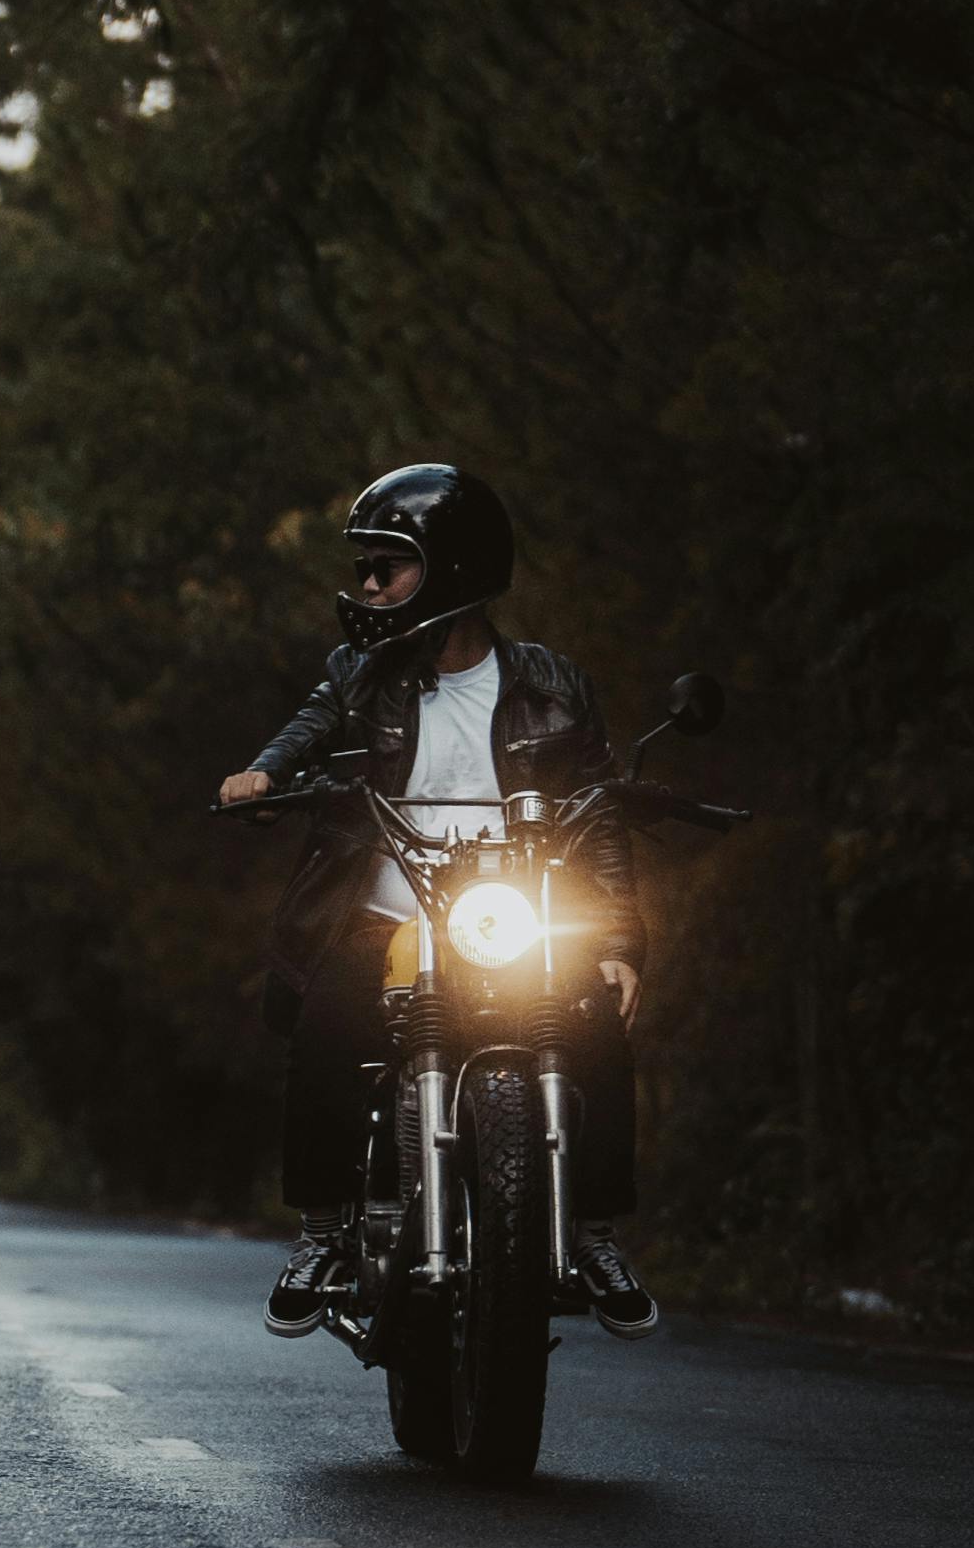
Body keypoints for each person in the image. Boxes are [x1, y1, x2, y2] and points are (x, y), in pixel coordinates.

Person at [217, 459, 655, 1333]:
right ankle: (323, 1230)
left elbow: (599, 815)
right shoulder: (358, 673)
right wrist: (266, 773)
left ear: (451, 568)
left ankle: (594, 1230)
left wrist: (617, 939)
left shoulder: (553, 685)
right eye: (365, 570)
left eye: (390, 566)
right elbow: (307, 727)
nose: (371, 586)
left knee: (594, 1022)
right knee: (326, 1019)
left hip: (518, 915)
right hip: (386, 914)